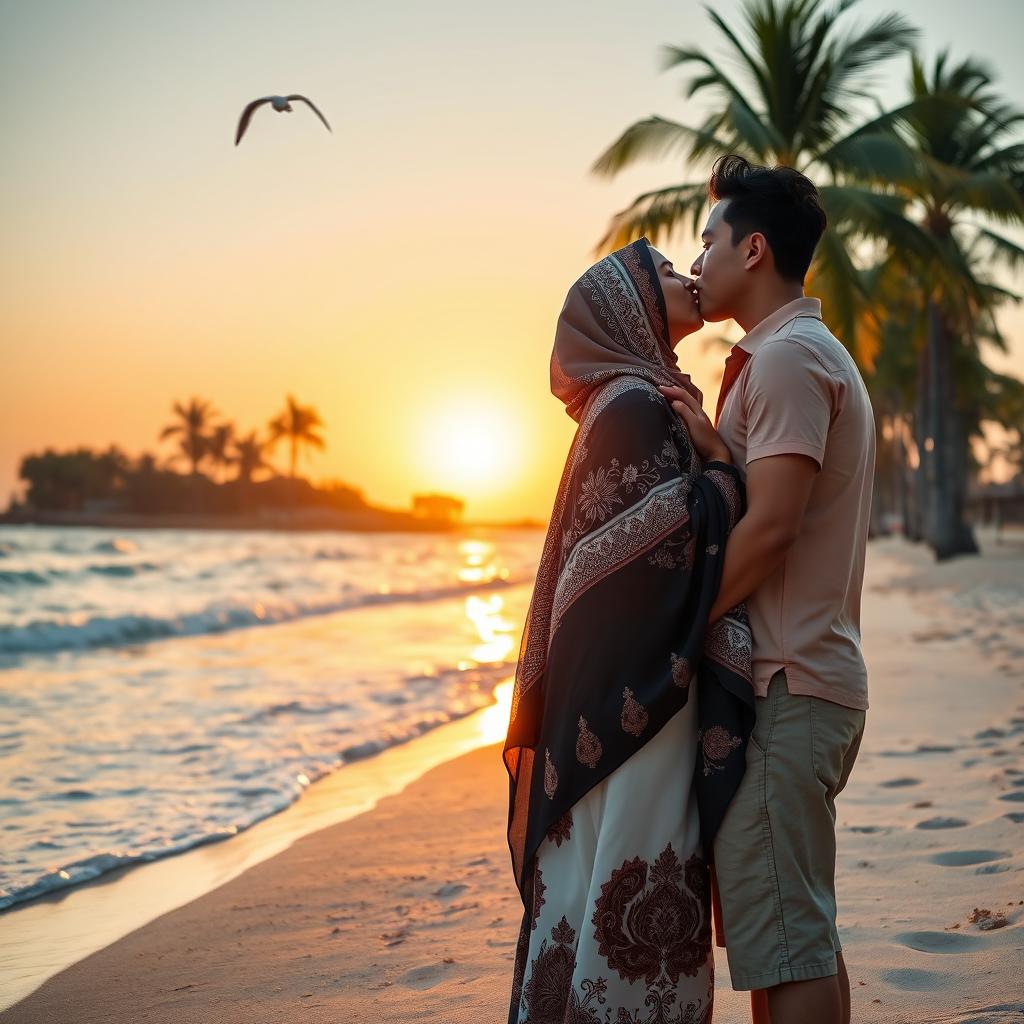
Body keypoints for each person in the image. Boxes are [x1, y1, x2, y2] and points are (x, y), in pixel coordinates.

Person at [503, 236, 755, 1024]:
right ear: (630, 309)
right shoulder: (638, 407)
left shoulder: (632, 397)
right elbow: (670, 554)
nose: (686, 278)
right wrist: (720, 468)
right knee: (636, 873)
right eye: (665, 275)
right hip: (641, 709)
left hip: (614, 699)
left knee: (598, 878)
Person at [659, 155, 876, 1024]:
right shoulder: (791, 357)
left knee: (785, 946)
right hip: (809, 679)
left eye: (707, 240)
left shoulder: (787, 359)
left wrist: (677, 630)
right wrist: (719, 453)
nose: (697, 259)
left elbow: (776, 527)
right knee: (800, 931)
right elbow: (776, 500)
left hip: (788, 686)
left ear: (753, 250)